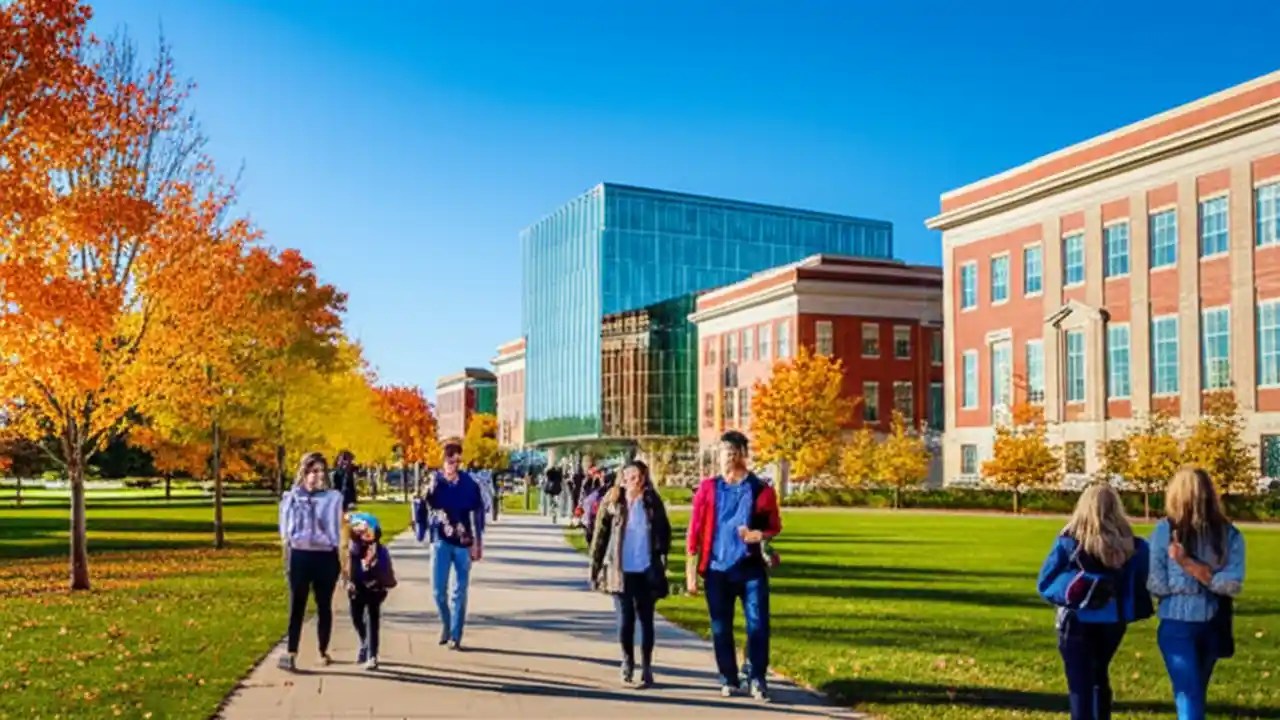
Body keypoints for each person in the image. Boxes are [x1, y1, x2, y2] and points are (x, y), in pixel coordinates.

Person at [1037, 483, 1153, 720]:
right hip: (1114, 620)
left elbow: (1045, 583)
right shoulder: (1132, 546)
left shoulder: (1070, 543)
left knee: (1080, 684)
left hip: (1077, 620)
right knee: (1099, 676)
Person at [685, 430, 782, 702]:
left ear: (742, 455)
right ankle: (728, 677)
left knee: (758, 625)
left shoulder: (760, 489)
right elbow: (694, 533)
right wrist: (691, 574)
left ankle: (757, 677)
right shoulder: (708, 488)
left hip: (750, 569)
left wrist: (760, 535)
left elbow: (774, 525)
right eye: (722, 452)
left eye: (730, 452)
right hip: (717, 570)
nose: (725, 458)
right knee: (720, 628)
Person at [1148, 467, 1246, 720]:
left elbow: (1157, 583)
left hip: (1181, 620)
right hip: (1208, 616)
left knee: (1190, 692)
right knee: (1192, 691)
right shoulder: (1228, 534)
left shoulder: (1165, 532)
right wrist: (1209, 578)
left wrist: (1186, 566)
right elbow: (1230, 583)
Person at [589, 460, 671, 689]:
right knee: (625, 622)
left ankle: (646, 666)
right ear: (623, 478)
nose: (635, 481)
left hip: (646, 570)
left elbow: (664, 532)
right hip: (620, 570)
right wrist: (595, 568)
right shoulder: (613, 501)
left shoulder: (652, 502)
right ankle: (627, 662)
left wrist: (662, 558)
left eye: (640, 477)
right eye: (631, 477)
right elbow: (600, 536)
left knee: (646, 621)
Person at [277, 451, 344, 672]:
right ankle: (291, 651)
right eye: (313, 471)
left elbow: (337, 529)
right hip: (300, 555)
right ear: (304, 473)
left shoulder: (333, 498)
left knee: (324, 605)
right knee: (297, 604)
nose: (318, 476)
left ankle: (322, 650)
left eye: (322, 471)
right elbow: (285, 531)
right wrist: (288, 553)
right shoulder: (291, 498)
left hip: (325, 555)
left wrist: (341, 559)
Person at [422, 441, 486, 649]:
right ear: (443, 461)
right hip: (440, 540)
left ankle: (456, 636)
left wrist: (478, 542)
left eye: (458, 461)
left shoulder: (469, 484)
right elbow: (423, 505)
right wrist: (429, 490)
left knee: (459, 590)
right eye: (450, 461)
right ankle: (447, 624)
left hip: (463, 542)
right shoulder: (435, 482)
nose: (454, 465)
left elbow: (478, 513)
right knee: (438, 591)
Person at [345, 511, 397, 670]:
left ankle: (372, 655)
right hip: (356, 588)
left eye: (369, 531)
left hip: (375, 589)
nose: (366, 534)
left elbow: (386, 570)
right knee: (356, 618)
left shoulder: (380, 551)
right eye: (361, 531)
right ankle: (365, 642)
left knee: (372, 620)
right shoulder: (352, 550)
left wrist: (383, 582)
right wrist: (347, 581)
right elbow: (346, 568)